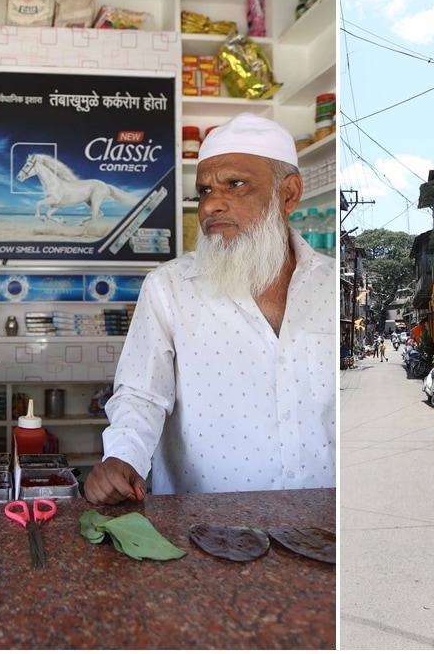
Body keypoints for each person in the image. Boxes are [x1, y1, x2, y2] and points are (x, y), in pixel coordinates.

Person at [85, 113, 336, 503]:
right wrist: (123, 456)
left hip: (325, 528)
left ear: (288, 194)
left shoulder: (332, 285)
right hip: (206, 530)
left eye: (235, 185)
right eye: (204, 191)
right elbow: (142, 395)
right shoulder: (169, 288)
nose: (211, 205)